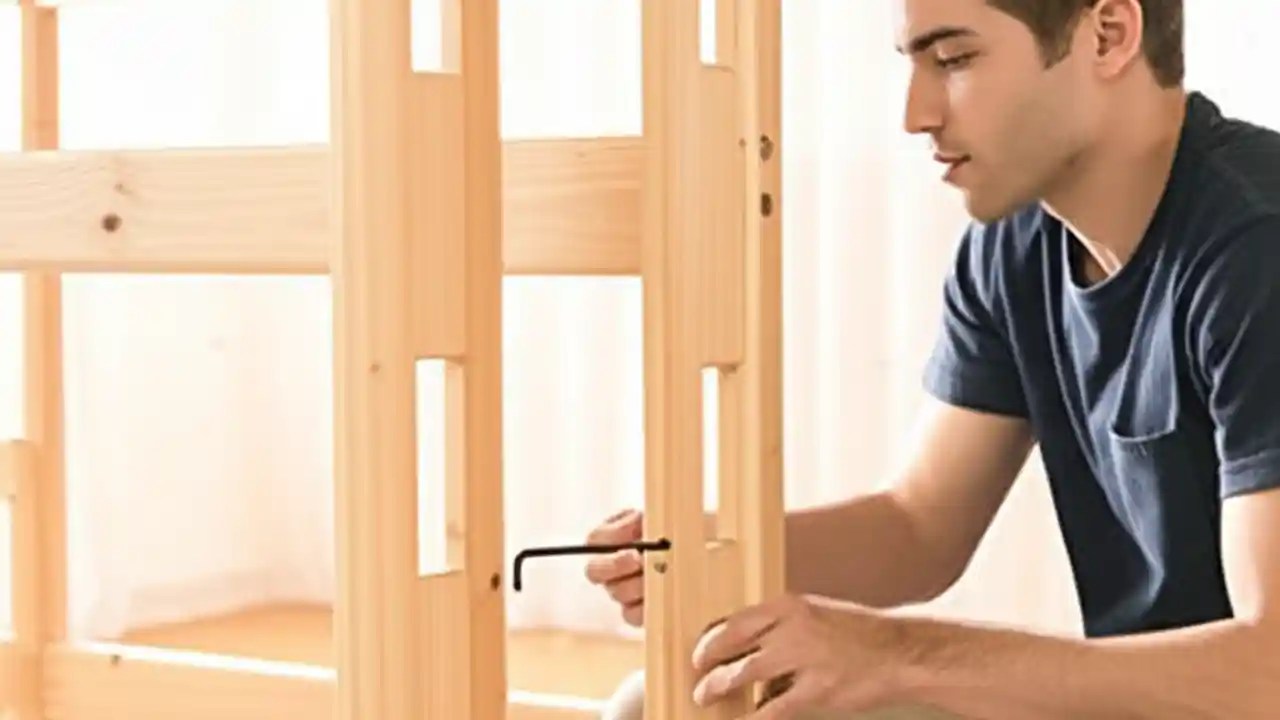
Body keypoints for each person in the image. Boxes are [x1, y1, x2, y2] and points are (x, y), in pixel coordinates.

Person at [585, 0, 1280, 717]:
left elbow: (1271, 668)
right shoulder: (1015, 244)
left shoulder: (1260, 245)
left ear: (1107, 35)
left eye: (953, 61)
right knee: (664, 703)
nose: (915, 115)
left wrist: (892, 655)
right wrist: (711, 549)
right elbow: (919, 530)